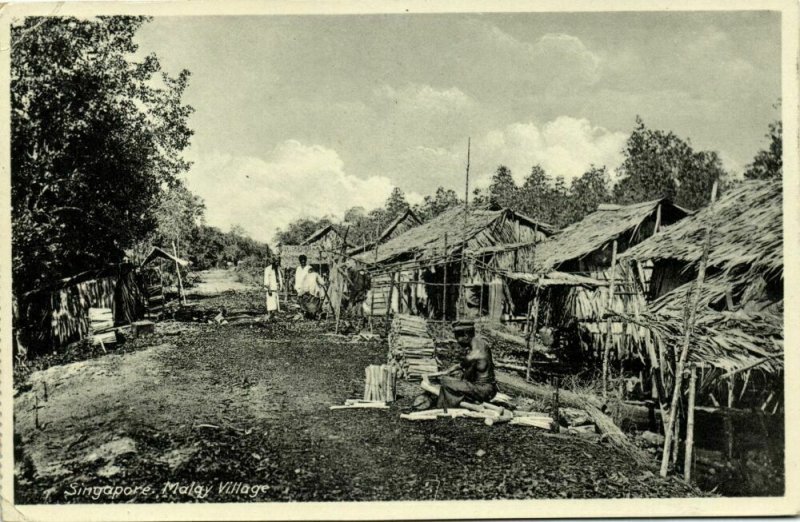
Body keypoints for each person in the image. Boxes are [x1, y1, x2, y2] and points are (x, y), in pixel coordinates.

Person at [420, 320, 497, 409]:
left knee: (445, 381)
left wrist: (447, 375)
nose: (457, 341)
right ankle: (467, 400)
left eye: (457, 338)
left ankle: (449, 405)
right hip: (490, 389)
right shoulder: (482, 344)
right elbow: (464, 369)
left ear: (466, 335)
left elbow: (463, 372)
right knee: (451, 381)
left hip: (484, 391)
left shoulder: (473, 354)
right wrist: (447, 372)